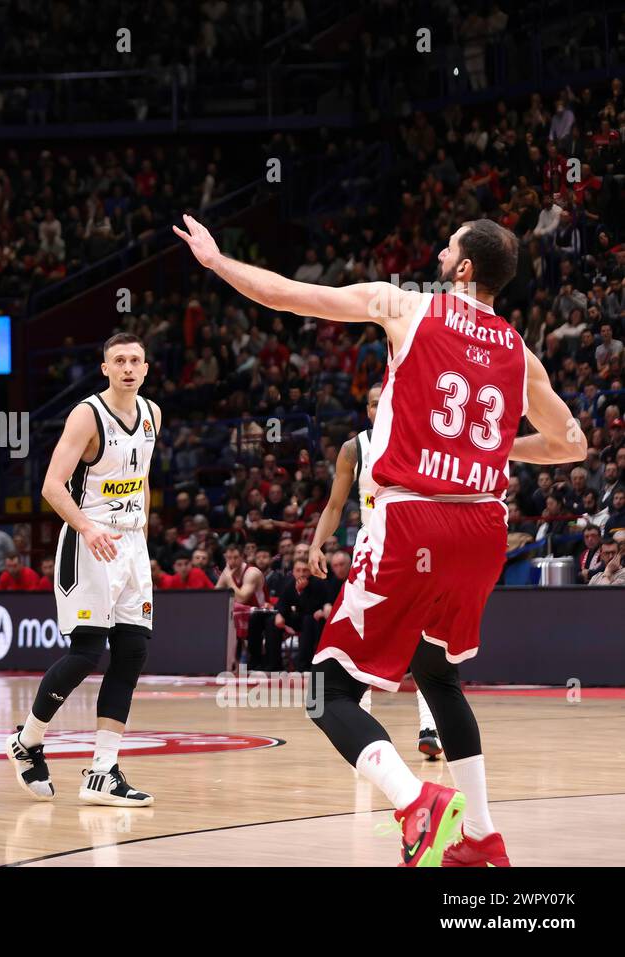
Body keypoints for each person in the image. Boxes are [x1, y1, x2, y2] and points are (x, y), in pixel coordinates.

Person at [174, 212, 585, 866]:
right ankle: (480, 835)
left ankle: (414, 800)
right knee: (438, 677)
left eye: (448, 245)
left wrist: (219, 263)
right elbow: (572, 443)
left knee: (324, 691)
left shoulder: (406, 306)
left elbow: (289, 294)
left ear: (465, 268)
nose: (439, 251)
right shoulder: (518, 348)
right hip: (483, 527)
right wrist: (495, 451)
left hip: (414, 518)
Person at [6, 333, 160, 808]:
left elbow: (144, 480)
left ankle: (102, 771)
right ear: (105, 368)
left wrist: (143, 542)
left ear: (146, 368)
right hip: (89, 541)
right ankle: (27, 741)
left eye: (135, 360)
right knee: (87, 653)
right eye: (119, 360)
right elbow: (52, 487)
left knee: (132, 652)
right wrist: (89, 528)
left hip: (130, 544)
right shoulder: (86, 415)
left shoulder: (153, 413)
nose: (128, 367)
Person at [309, 385, 442, 757]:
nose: (378, 406)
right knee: (357, 636)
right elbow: (335, 505)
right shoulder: (354, 448)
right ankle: (359, 721)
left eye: (384, 400)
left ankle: (430, 728)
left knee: (423, 639)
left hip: (415, 548)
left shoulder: (423, 436)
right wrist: (316, 544)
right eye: (372, 402)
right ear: (365, 410)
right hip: (372, 548)